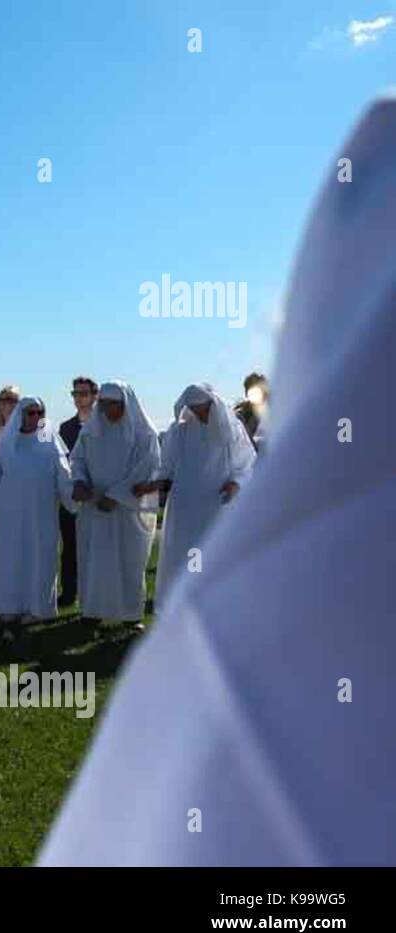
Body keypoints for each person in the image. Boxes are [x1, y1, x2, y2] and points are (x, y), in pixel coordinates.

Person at [41, 98, 396, 865]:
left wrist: (217, 490)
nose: (200, 412)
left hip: (213, 514)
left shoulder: (241, 635)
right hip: (181, 515)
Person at [151, 384, 256, 612]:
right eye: (194, 409)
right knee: (186, 554)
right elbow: (167, 464)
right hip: (186, 505)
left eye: (203, 408)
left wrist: (236, 483)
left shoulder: (232, 430)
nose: (199, 413)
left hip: (218, 504)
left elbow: (247, 462)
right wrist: (158, 480)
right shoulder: (179, 431)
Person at [68, 381, 160, 632]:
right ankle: (92, 611)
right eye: (105, 404)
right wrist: (79, 482)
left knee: (129, 562)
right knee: (94, 561)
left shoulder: (144, 434)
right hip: (95, 507)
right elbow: (77, 460)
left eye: (114, 405)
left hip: (127, 511)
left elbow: (147, 467)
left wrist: (117, 496)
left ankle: (131, 615)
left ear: (126, 405)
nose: (109, 410)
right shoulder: (90, 431)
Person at [0, 397, 77, 636]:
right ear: (21, 415)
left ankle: (39, 609)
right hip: (10, 516)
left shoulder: (50, 441)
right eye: (30, 413)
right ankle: (11, 606)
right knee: (12, 559)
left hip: (42, 514)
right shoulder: (8, 443)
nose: (35, 417)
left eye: (39, 412)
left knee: (40, 558)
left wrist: (74, 498)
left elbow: (63, 474)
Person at [57, 377, 98, 607]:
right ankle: (69, 591)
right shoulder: (65, 427)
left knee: (95, 547)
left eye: (84, 393)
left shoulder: (103, 425)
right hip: (72, 496)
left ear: (95, 396)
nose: (79, 398)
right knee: (70, 546)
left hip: (96, 494)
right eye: (75, 393)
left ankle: (93, 592)